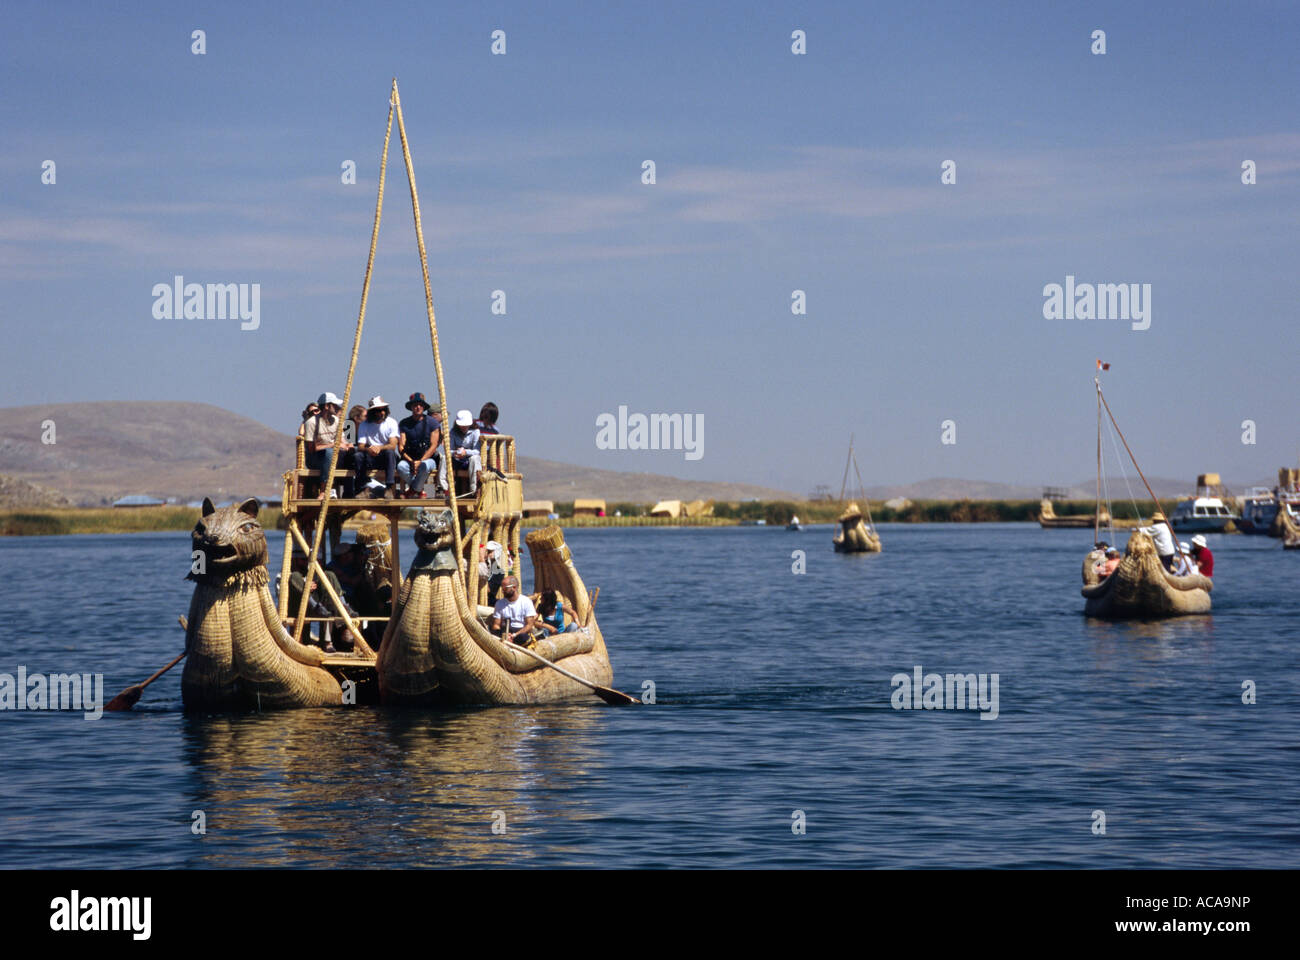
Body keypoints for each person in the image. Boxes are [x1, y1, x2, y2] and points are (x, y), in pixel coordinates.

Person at [302, 392, 355, 497]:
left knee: (353, 454)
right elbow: (312, 449)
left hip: (333, 456)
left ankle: (349, 492)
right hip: (316, 458)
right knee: (329, 453)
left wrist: (348, 446)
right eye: (334, 405)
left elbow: (341, 439)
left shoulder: (336, 421)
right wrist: (333, 445)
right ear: (327, 406)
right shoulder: (312, 423)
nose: (337, 407)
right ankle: (324, 490)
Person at [396, 392, 441, 499]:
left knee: (425, 466)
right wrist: (411, 461)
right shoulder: (404, 423)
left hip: (427, 459)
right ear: (411, 407)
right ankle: (419, 489)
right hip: (409, 459)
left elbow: (434, 445)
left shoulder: (433, 423)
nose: (418, 407)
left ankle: (412, 490)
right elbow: (401, 446)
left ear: (424, 407)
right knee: (401, 467)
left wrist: (420, 461)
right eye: (415, 405)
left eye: (420, 405)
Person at [354, 396, 401, 499]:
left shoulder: (391, 422)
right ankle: (362, 489)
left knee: (390, 453)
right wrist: (369, 449)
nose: (382, 413)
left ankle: (389, 488)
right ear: (372, 412)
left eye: (383, 410)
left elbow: (393, 445)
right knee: (358, 456)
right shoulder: (363, 425)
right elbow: (361, 446)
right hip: (370, 456)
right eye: (378, 410)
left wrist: (379, 448)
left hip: (386, 457)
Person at [439, 409, 482, 495]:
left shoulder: (475, 432)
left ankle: (473, 489)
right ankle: (444, 488)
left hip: (469, 461)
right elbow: (448, 450)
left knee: (475, 458)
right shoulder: (453, 432)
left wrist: (466, 452)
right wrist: (455, 453)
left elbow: (477, 451)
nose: (463, 427)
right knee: (444, 458)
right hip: (457, 460)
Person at [492, 576, 537, 645]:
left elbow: (529, 625)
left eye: (505, 588)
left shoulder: (526, 602)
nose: (502, 591)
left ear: (514, 587)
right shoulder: (499, 604)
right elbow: (496, 625)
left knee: (523, 638)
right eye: (502, 588)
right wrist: (504, 635)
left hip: (520, 632)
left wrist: (514, 635)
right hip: (505, 632)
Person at [477, 539, 507, 604]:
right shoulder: (484, 564)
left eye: (490, 552)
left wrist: (482, 560)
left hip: (488, 600)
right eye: (487, 552)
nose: (487, 554)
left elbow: (488, 590)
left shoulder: (499, 572)